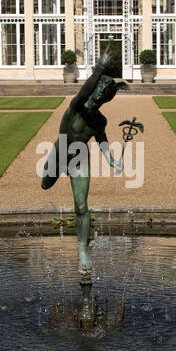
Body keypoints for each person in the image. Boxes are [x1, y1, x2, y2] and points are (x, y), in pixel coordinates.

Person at [40, 46, 128, 275]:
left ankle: (82, 252)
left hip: (79, 158)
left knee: (81, 205)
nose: (97, 97)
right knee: (45, 184)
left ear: (106, 99)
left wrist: (111, 160)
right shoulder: (76, 107)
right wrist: (99, 68)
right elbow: (83, 91)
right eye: (97, 91)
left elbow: (102, 140)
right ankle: (53, 175)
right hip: (60, 152)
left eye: (103, 96)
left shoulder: (100, 120)